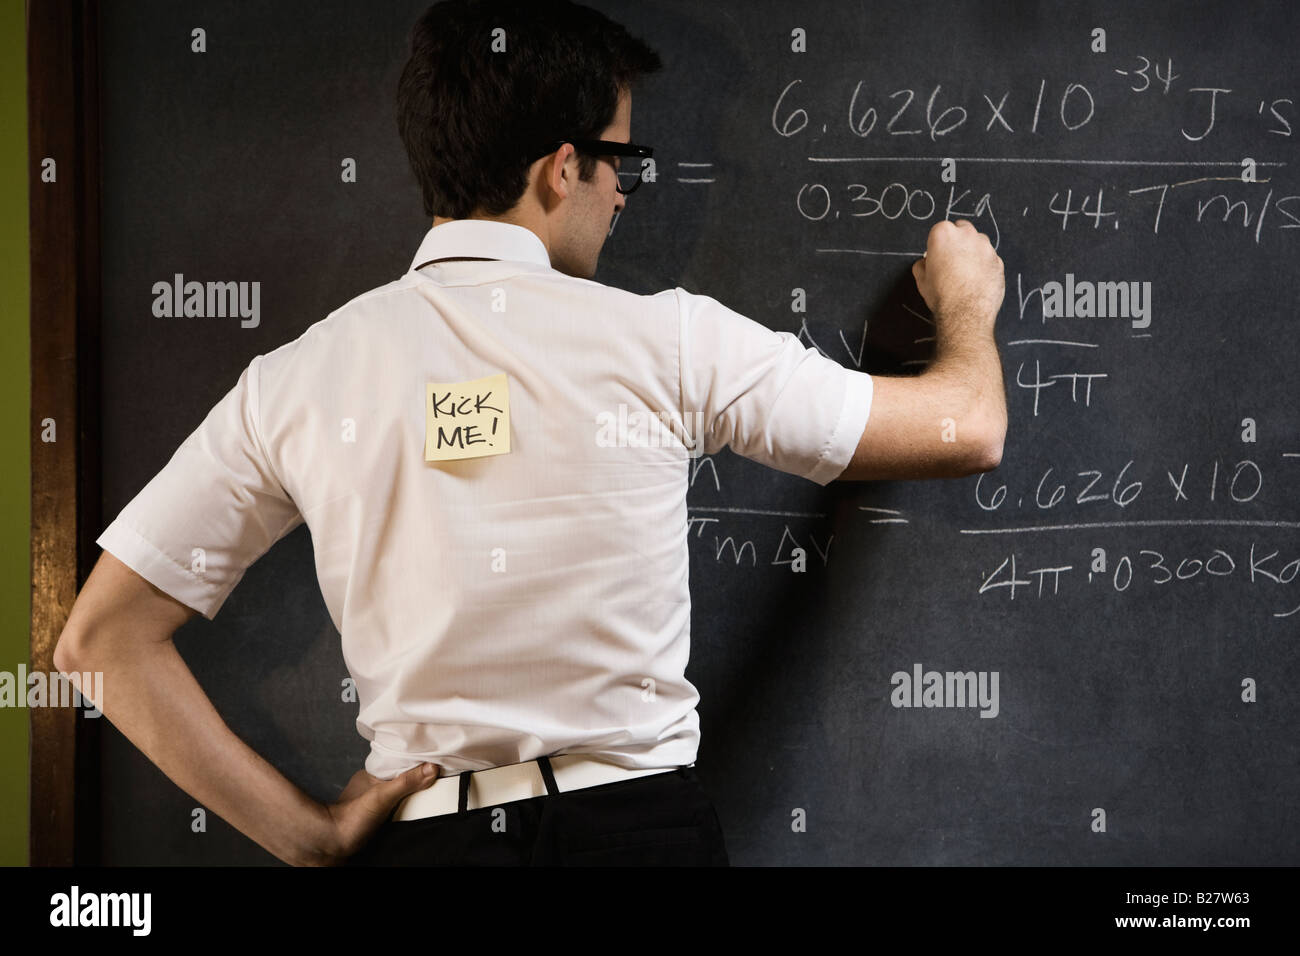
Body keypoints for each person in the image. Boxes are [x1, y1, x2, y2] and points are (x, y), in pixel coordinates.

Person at [53, 0, 1006, 867]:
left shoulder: (294, 381)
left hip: (427, 845)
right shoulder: (668, 338)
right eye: (621, 160)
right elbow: (967, 430)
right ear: (563, 168)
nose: (627, 192)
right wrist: (966, 304)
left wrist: (307, 836)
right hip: (636, 841)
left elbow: (99, 642)